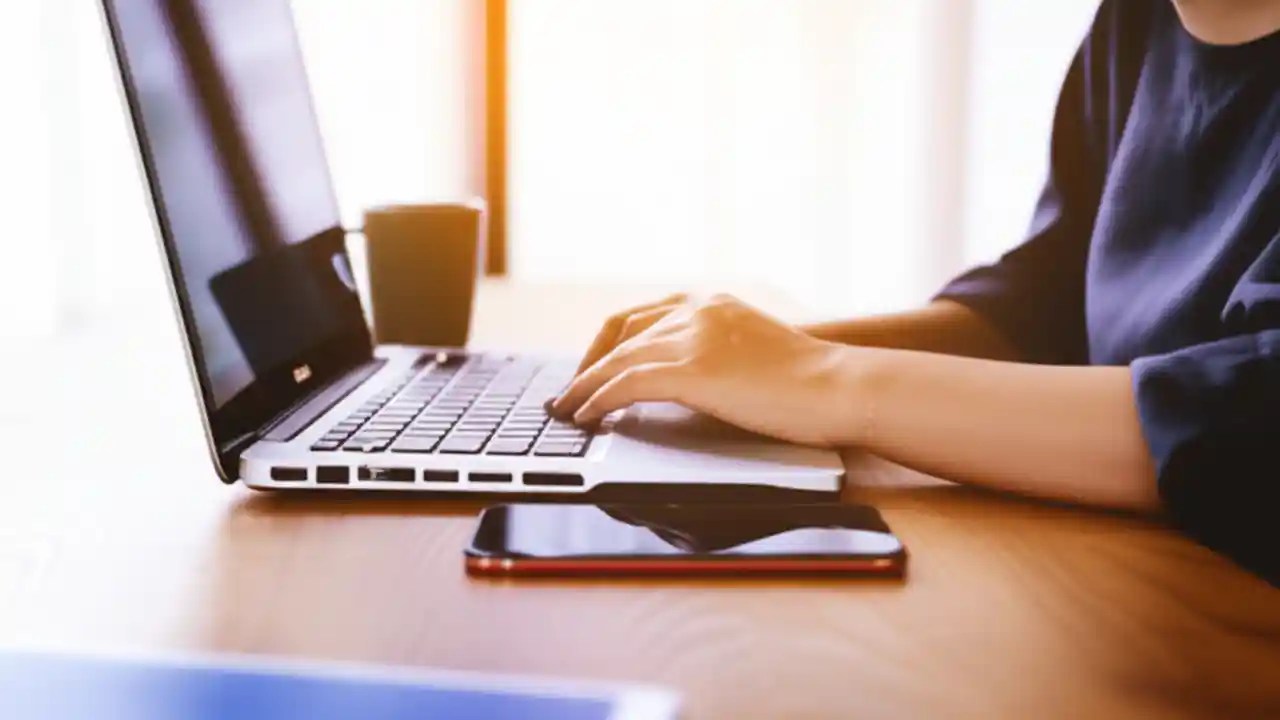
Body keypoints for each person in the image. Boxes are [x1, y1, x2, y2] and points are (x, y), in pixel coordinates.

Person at [547, 0, 1280, 583]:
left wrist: (825, 381)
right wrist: (752, 363)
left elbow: (1248, 422)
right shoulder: (1136, 20)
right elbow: (1040, 308)